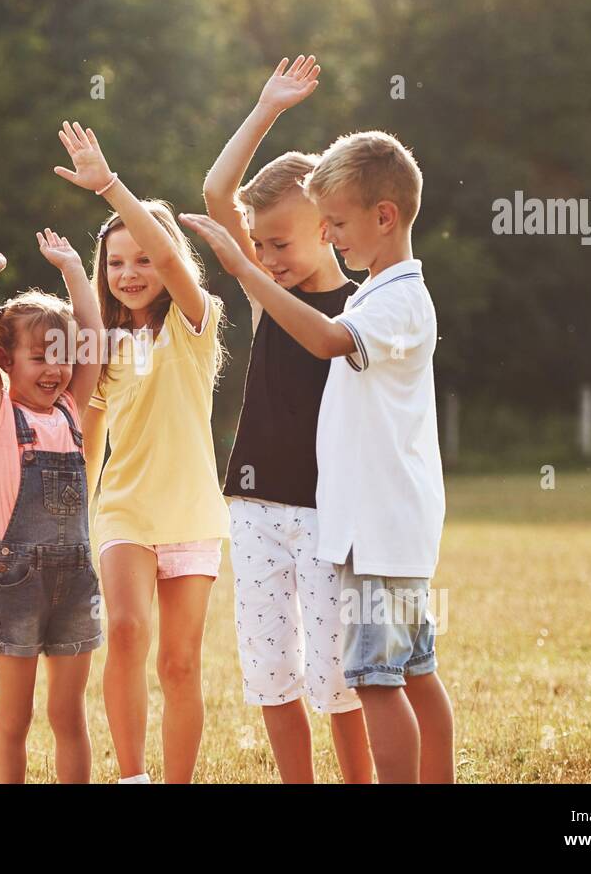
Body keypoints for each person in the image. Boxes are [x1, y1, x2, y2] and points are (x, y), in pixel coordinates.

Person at [181, 127, 455, 783]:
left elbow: (331, 341)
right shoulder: (380, 293)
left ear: (383, 217)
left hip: (374, 530)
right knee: (412, 673)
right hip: (373, 527)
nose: (332, 236)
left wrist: (246, 269)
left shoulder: (390, 302)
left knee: (376, 683)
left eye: (337, 223)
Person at [202, 55, 372, 783]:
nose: (266, 260)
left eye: (280, 244)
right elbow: (216, 191)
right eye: (257, 245)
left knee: (339, 679)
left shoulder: (364, 305)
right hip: (254, 506)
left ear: (329, 231)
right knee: (272, 673)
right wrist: (267, 107)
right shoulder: (263, 290)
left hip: (329, 512)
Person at [54, 121, 230, 783]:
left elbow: (176, 260)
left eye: (143, 258)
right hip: (123, 513)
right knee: (126, 630)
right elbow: (90, 434)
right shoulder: (99, 345)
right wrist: (76, 513)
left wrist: (109, 188)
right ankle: (132, 778)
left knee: (179, 665)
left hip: (191, 515)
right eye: (116, 261)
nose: (129, 272)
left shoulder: (194, 322)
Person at [0, 229, 104, 782]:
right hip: (18, 583)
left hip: (76, 580)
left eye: (60, 357)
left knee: (68, 713)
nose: (54, 370)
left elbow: (95, 337)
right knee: (17, 715)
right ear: (7, 361)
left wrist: (74, 270)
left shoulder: (72, 411)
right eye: (39, 358)